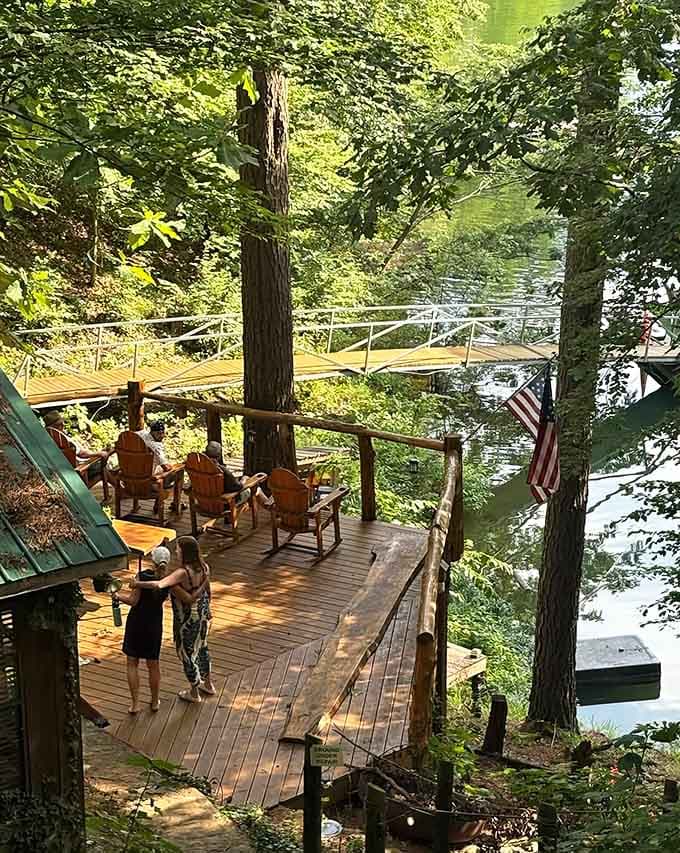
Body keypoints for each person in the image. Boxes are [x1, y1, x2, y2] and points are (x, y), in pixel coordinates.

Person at [132, 535, 214, 704]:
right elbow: (208, 591)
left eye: (178, 548)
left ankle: (194, 692)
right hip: (203, 614)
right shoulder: (204, 567)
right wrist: (208, 608)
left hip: (187, 619)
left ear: (184, 551)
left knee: (187, 652)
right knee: (203, 647)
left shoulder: (182, 573)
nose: (176, 551)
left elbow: (158, 585)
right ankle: (208, 684)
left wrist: (137, 584)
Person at [112, 545, 181, 714]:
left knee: (132, 662)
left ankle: (135, 703)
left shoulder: (141, 577)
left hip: (137, 622)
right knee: (153, 664)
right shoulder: (169, 580)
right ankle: (155, 700)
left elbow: (133, 601)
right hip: (154, 623)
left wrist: (118, 596)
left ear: (152, 560)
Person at [43, 410, 111, 480]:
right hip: (80, 471)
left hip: (64, 473)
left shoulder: (47, 440)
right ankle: (118, 487)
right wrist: (99, 453)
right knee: (103, 467)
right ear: (57, 425)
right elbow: (82, 454)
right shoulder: (65, 440)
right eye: (60, 423)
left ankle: (118, 486)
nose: (63, 425)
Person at [204, 441, 272, 509]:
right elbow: (238, 487)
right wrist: (244, 480)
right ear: (219, 456)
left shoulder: (198, 469)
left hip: (205, 503)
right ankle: (269, 507)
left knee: (246, 478)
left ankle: (268, 505)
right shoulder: (223, 471)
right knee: (256, 489)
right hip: (226, 503)